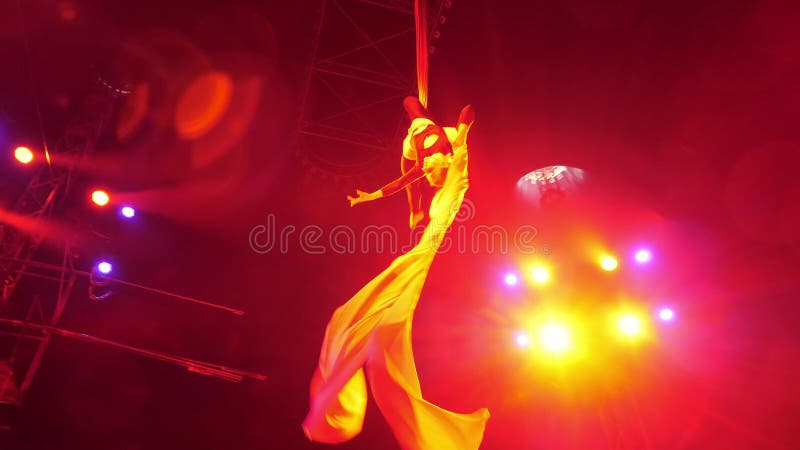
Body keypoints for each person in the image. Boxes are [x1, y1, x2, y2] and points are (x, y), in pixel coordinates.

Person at [305, 101, 489, 450]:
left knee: (411, 111)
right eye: (432, 176)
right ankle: (416, 208)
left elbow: (418, 168)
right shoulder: (432, 156)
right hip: (433, 159)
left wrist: (464, 129)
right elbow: (406, 177)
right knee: (412, 114)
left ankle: (417, 209)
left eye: (433, 176)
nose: (432, 178)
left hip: (439, 191)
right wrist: (369, 197)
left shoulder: (444, 161)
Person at [348, 97, 475, 228]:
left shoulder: (421, 166)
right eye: (431, 171)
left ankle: (414, 211)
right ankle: (416, 212)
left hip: (410, 148)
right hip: (428, 126)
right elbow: (469, 109)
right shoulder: (453, 145)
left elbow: (399, 183)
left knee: (410, 184)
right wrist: (462, 134)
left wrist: (371, 196)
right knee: (410, 101)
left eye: (426, 174)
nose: (425, 170)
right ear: (443, 164)